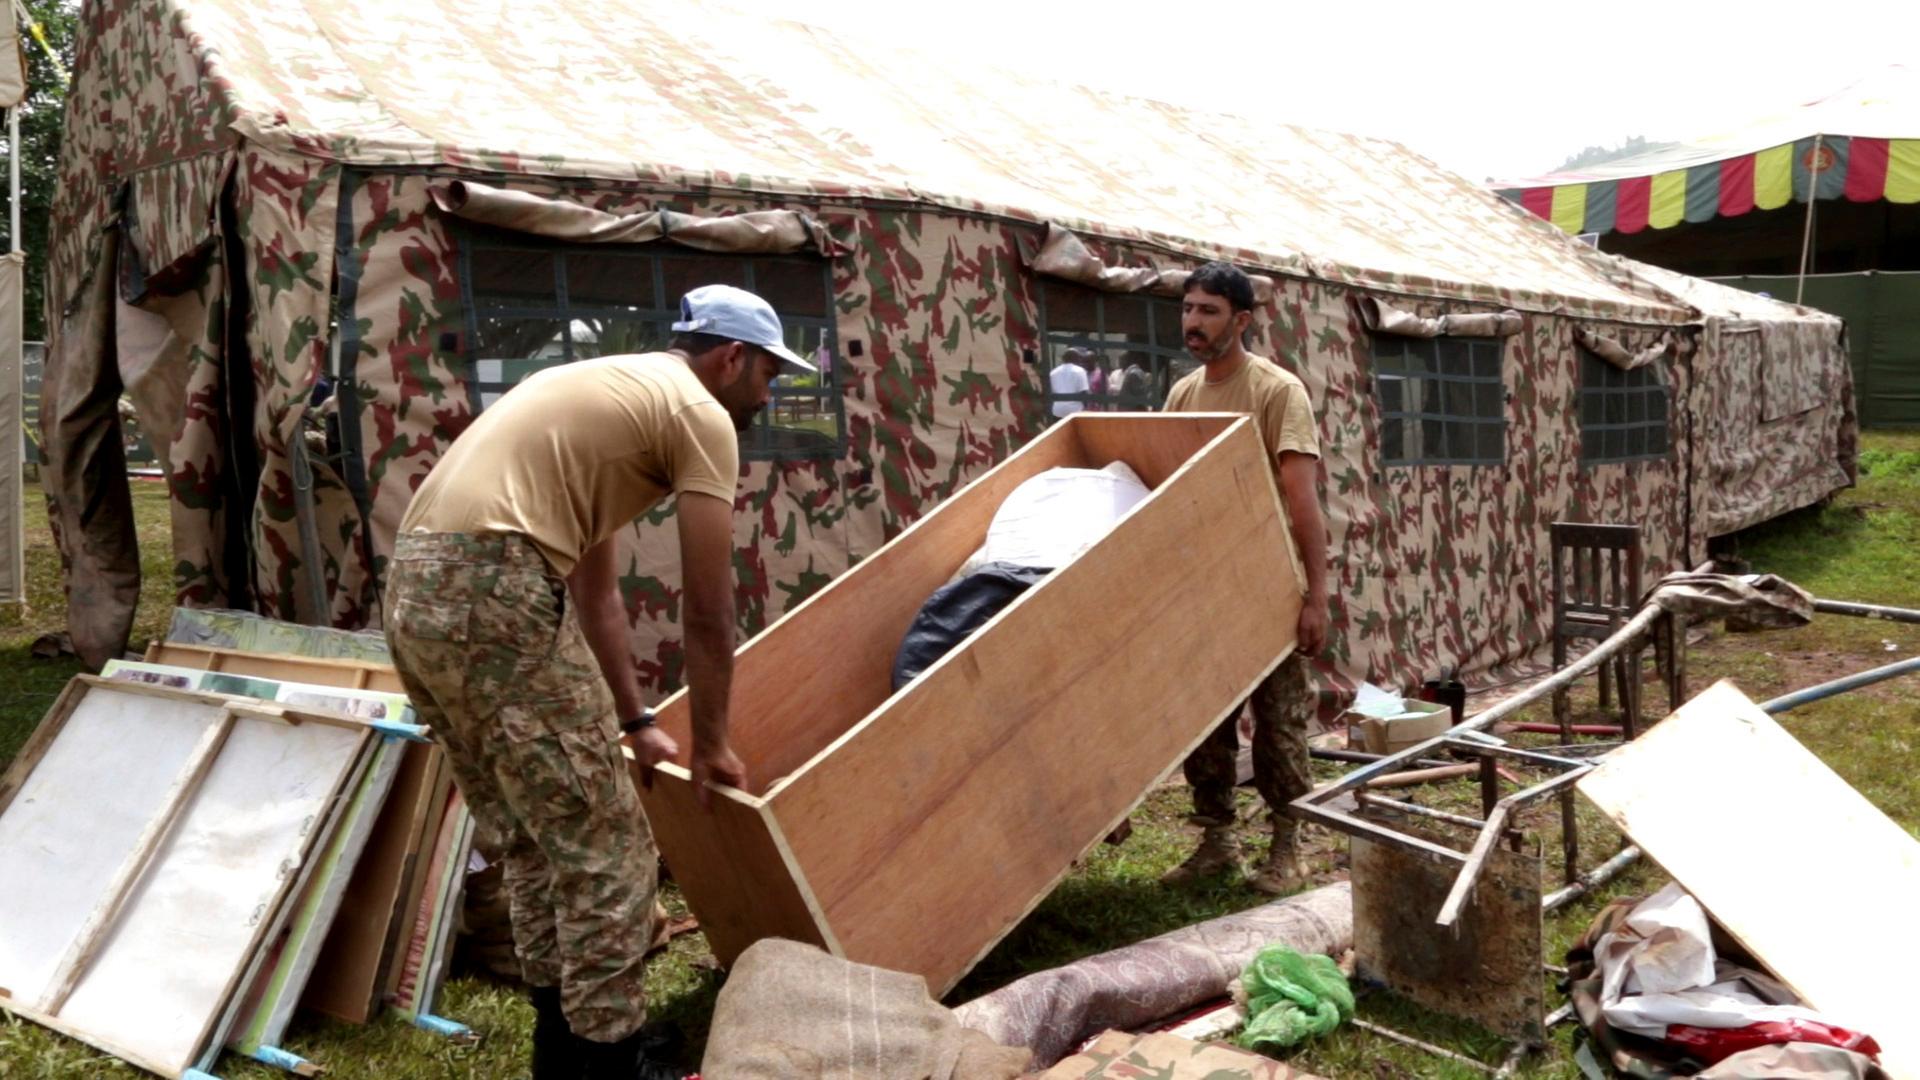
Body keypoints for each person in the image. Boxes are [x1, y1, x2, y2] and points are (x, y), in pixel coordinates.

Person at [384, 284, 812, 1079]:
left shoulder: (609, 391)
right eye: (770, 374)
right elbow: (709, 610)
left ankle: (568, 1049)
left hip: (416, 589)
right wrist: (712, 744)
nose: (769, 394)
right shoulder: (700, 414)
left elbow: (597, 593)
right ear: (733, 358)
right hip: (495, 586)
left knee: (535, 839)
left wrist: (637, 720)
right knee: (610, 854)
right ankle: (609, 1065)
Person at [1158, 262, 1330, 896]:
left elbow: (1303, 502)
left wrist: (1316, 597)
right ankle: (1217, 841)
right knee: (1206, 720)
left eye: (1208, 311)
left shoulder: (1277, 392)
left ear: (1242, 320)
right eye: (1188, 309)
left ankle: (1289, 844)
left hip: (1270, 584)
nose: (1193, 322)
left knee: (1279, 720)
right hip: (1206, 585)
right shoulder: (1183, 395)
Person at [1049, 346, 1092, 418]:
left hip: (1057, 411)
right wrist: (1086, 408)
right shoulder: (1080, 371)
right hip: (1075, 410)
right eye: (1079, 358)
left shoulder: (1053, 372)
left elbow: (1051, 392)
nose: (1080, 360)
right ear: (1075, 358)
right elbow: (1084, 393)